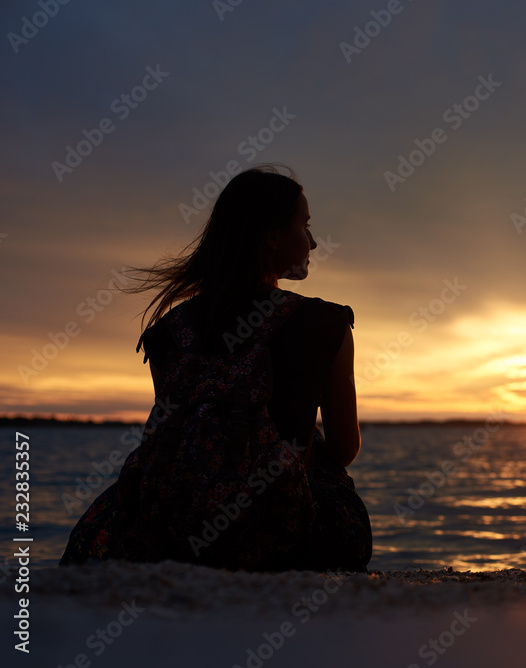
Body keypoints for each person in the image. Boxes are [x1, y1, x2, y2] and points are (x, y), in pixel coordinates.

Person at [59, 165, 372, 572]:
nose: (312, 242)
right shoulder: (326, 324)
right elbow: (345, 450)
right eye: (305, 226)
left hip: (175, 532)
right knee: (343, 511)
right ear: (273, 237)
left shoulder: (168, 332)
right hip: (287, 534)